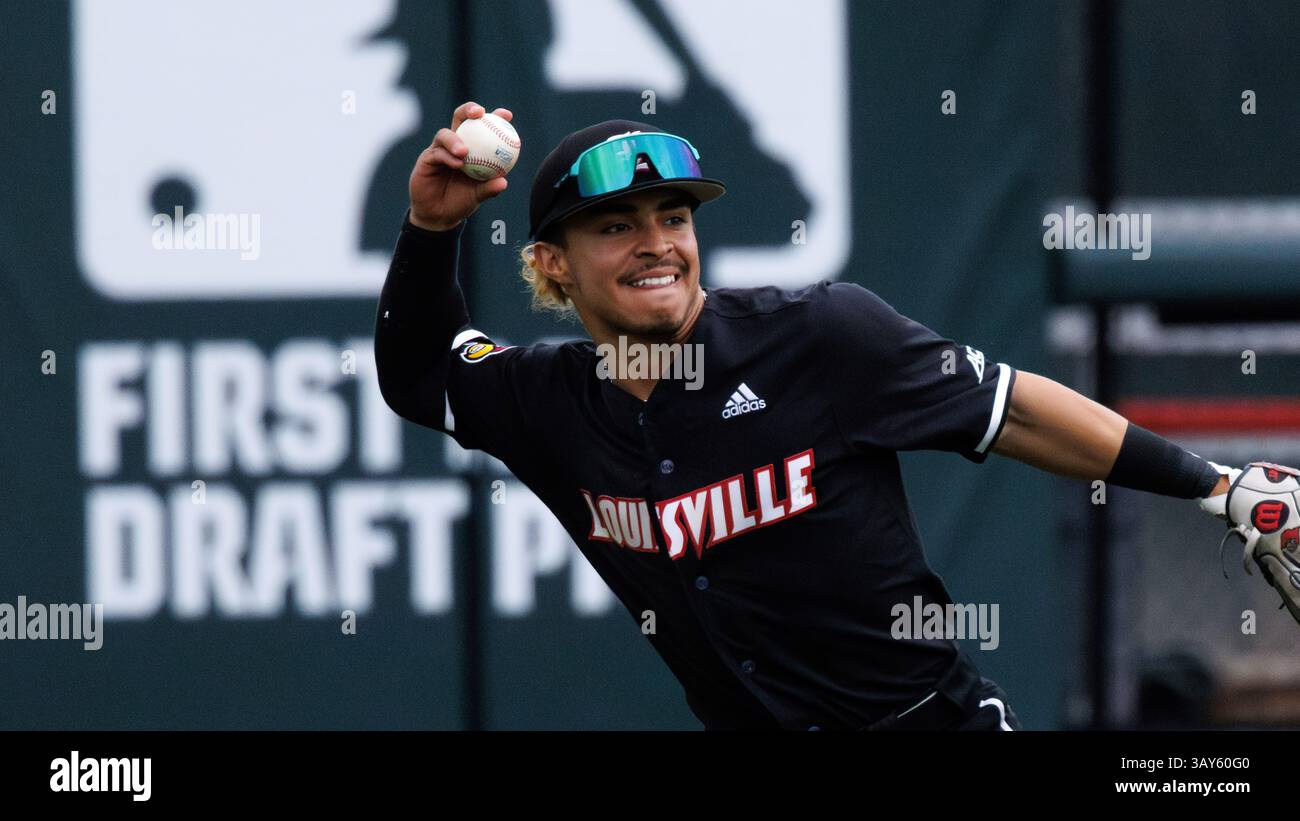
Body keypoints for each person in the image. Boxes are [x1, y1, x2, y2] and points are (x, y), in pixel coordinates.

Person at [375, 101, 1258, 731]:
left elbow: (1014, 409)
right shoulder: (546, 401)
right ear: (551, 265)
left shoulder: (817, 336)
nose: (656, 243)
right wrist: (429, 226)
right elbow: (417, 371)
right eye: (614, 225)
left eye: (673, 215)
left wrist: (1212, 483)